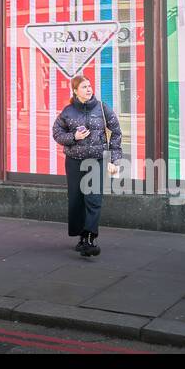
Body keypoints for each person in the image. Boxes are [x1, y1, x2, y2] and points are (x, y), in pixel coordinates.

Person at [52, 75, 122, 258]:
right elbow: (57, 133)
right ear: (75, 91)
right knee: (76, 200)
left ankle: (89, 237)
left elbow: (116, 132)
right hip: (74, 161)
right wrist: (74, 137)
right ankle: (81, 237)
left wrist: (114, 159)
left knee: (94, 199)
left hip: (96, 161)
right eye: (84, 87)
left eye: (89, 86)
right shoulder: (68, 111)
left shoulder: (101, 108)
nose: (89, 89)